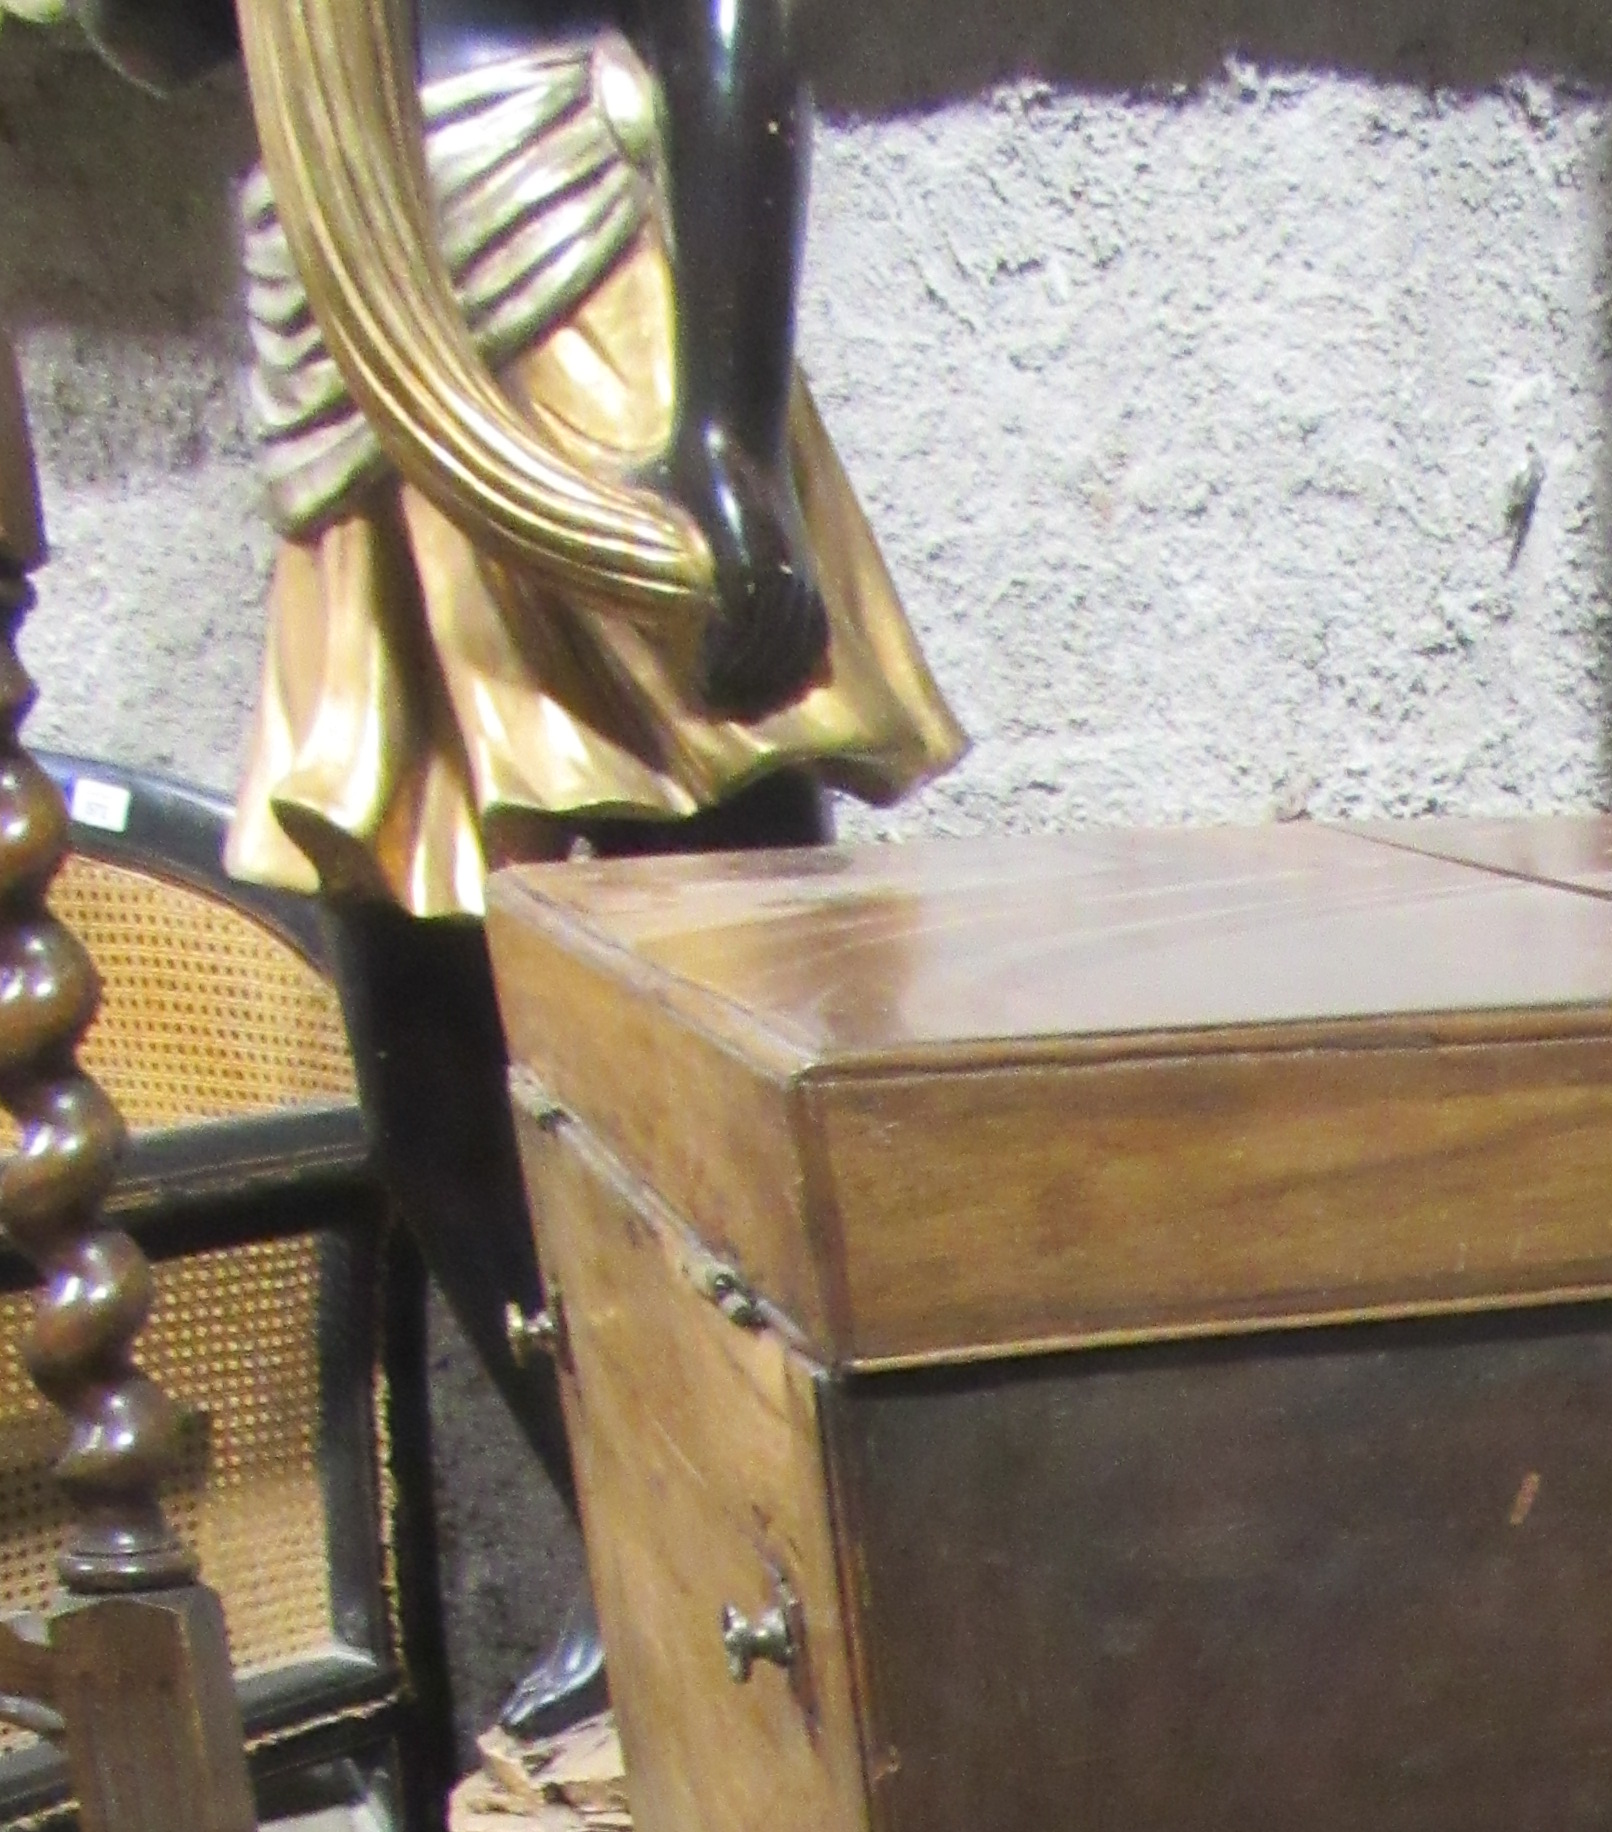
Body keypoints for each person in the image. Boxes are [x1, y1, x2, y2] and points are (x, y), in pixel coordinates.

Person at [65, 0, 962, 1725]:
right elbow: (168, 38)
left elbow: (728, 22)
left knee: (716, 1043)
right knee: (436, 1090)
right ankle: (649, 1554)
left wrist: (725, 424)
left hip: (582, 347)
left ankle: (804, 1575)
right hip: (362, 364)